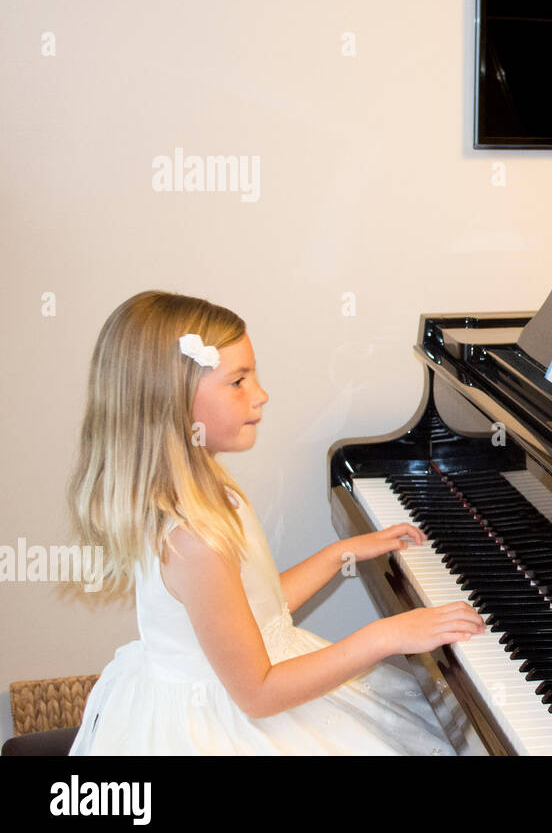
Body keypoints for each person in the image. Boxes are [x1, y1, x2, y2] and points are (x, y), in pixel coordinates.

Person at [68, 291, 484, 754]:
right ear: (173, 402)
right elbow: (259, 693)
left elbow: (256, 613)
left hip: (248, 685)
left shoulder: (202, 490)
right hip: (227, 720)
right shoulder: (192, 540)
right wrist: (385, 636)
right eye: (238, 382)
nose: (260, 394)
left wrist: (340, 553)